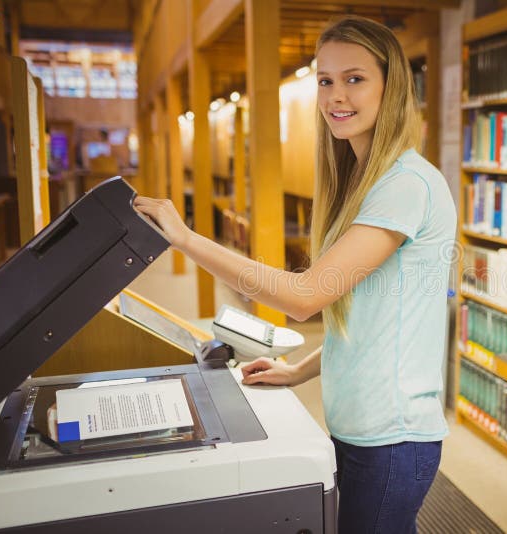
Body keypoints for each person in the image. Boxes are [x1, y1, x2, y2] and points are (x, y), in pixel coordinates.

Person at [134, 15, 456, 533]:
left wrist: (188, 239)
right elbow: (373, 322)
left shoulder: (406, 185)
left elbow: (305, 297)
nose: (336, 95)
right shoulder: (363, 183)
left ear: (391, 86)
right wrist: (300, 370)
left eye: (354, 78)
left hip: (393, 440)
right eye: (325, 80)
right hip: (363, 430)